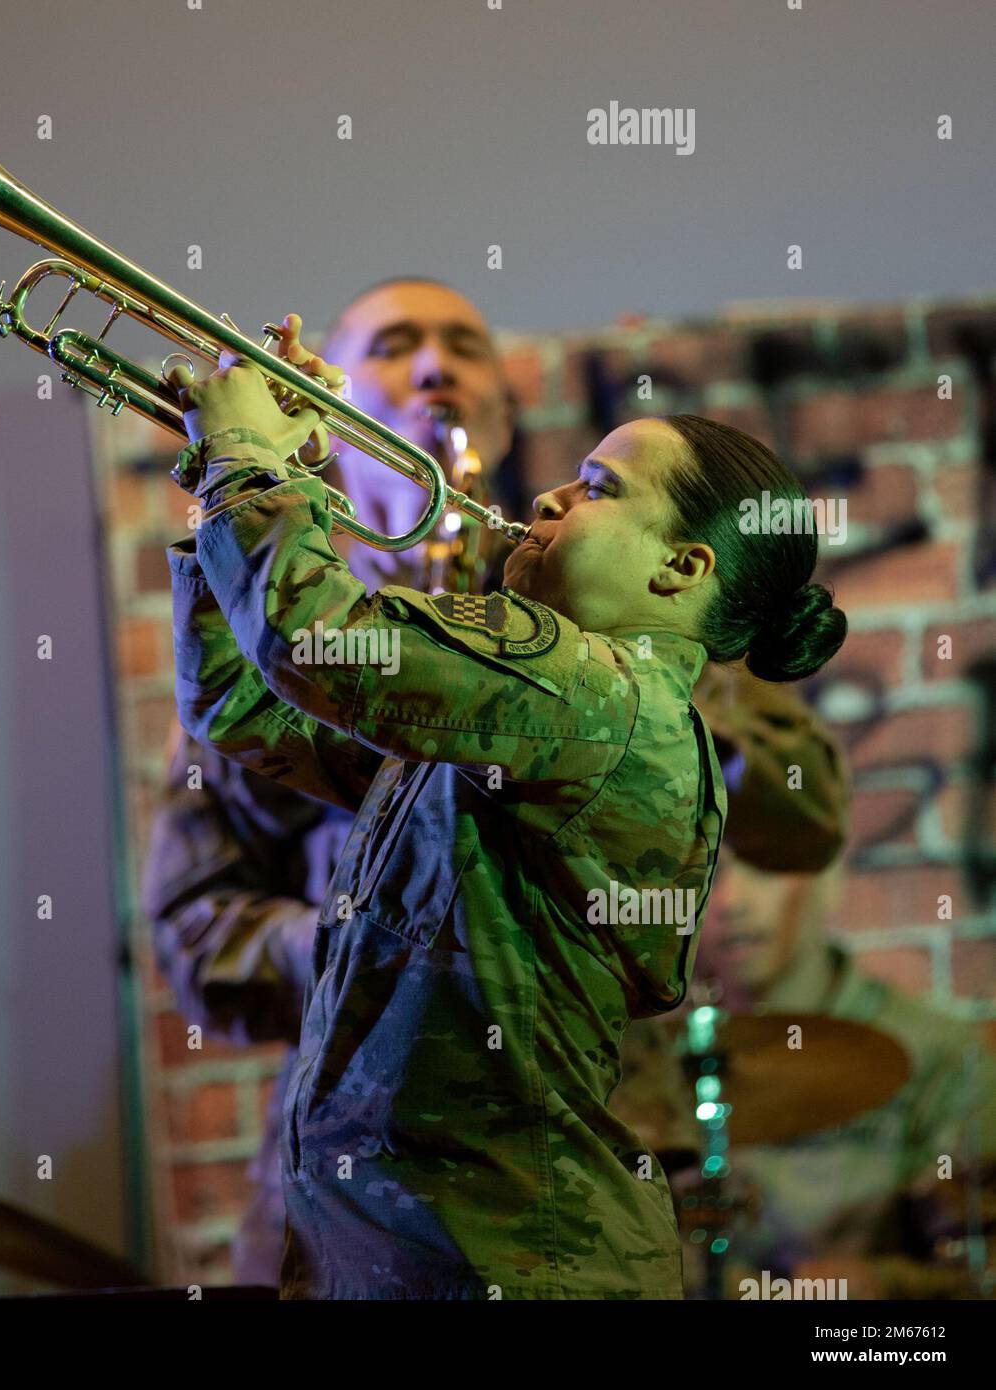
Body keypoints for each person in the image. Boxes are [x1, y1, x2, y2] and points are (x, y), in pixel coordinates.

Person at [161, 318, 848, 1298]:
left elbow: (315, 643)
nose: (549, 496)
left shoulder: (598, 693)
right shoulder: (533, 708)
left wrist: (247, 459)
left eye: (599, 490)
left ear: (680, 570)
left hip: (508, 1266)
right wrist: (267, 478)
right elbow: (245, 708)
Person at [144, 280, 518, 1283]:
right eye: (396, 345)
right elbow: (190, 932)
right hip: (341, 1155)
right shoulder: (263, 633)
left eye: (462, 345)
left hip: (548, 1163)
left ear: (507, 411)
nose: (436, 366)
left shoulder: (578, 613)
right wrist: (357, 943)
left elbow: (800, 821)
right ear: (331, 419)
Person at [688, 851, 996, 1299]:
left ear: (826, 881)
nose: (731, 901)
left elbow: (981, 1266)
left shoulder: (939, 1057)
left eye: (765, 868)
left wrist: (883, 1285)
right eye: (709, 875)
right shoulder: (647, 1065)